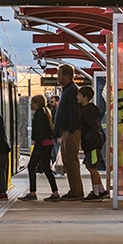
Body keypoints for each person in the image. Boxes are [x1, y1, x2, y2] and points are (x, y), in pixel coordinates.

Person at [19, 94, 61, 202]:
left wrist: (37, 147)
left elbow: (40, 133)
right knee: (46, 168)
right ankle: (55, 193)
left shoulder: (39, 115)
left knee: (31, 167)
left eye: (32, 103)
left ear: (37, 104)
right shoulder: (44, 113)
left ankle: (33, 193)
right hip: (47, 144)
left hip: (42, 144)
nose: (30, 105)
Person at [53, 63, 84, 200]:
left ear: (66, 76)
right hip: (66, 131)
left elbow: (74, 113)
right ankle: (75, 189)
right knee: (68, 161)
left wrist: (70, 129)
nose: (58, 78)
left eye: (59, 75)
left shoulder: (71, 91)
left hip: (71, 132)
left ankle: (76, 191)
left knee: (71, 161)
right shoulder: (67, 90)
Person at [78, 85, 108, 201]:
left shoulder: (88, 110)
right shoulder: (88, 109)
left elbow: (92, 126)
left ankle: (96, 192)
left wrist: (87, 139)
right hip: (91, 143)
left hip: (92, 144)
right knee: (90, 166)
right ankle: (101, 190)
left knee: (92, 167)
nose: (77, 97)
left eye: (79, 95)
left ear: (85, 97)